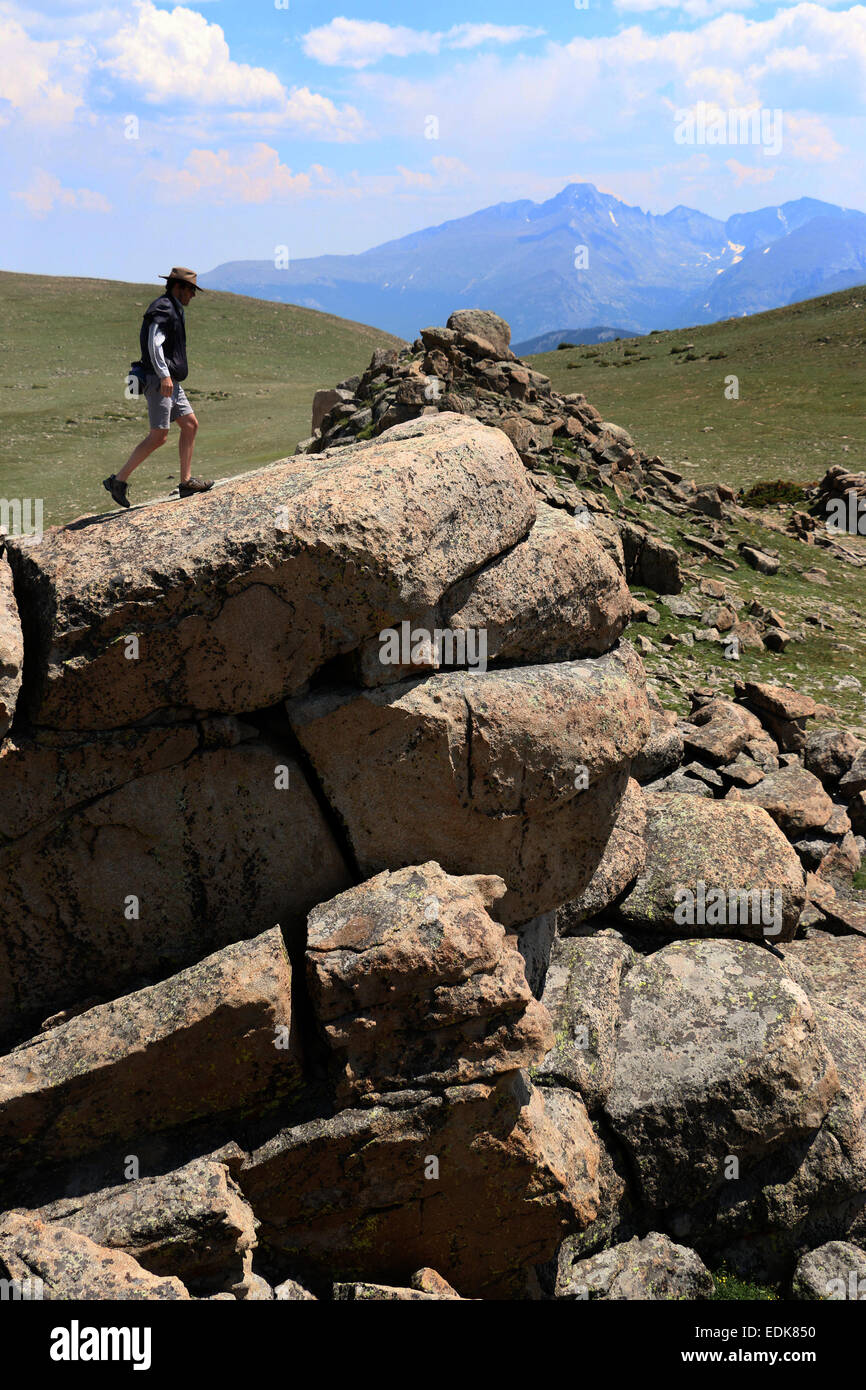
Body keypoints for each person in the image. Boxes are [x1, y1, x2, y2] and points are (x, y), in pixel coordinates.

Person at [103, 266, 213, 508]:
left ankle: (185, 482)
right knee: (159, 436)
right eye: (191, 290)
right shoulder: (163, 308)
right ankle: (118, 481)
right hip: (159, 380)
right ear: (178, 287)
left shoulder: (173, 308)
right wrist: (164, 375)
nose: (193, 295)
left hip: (170, 381)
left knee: (190, 424)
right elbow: (155, 342)